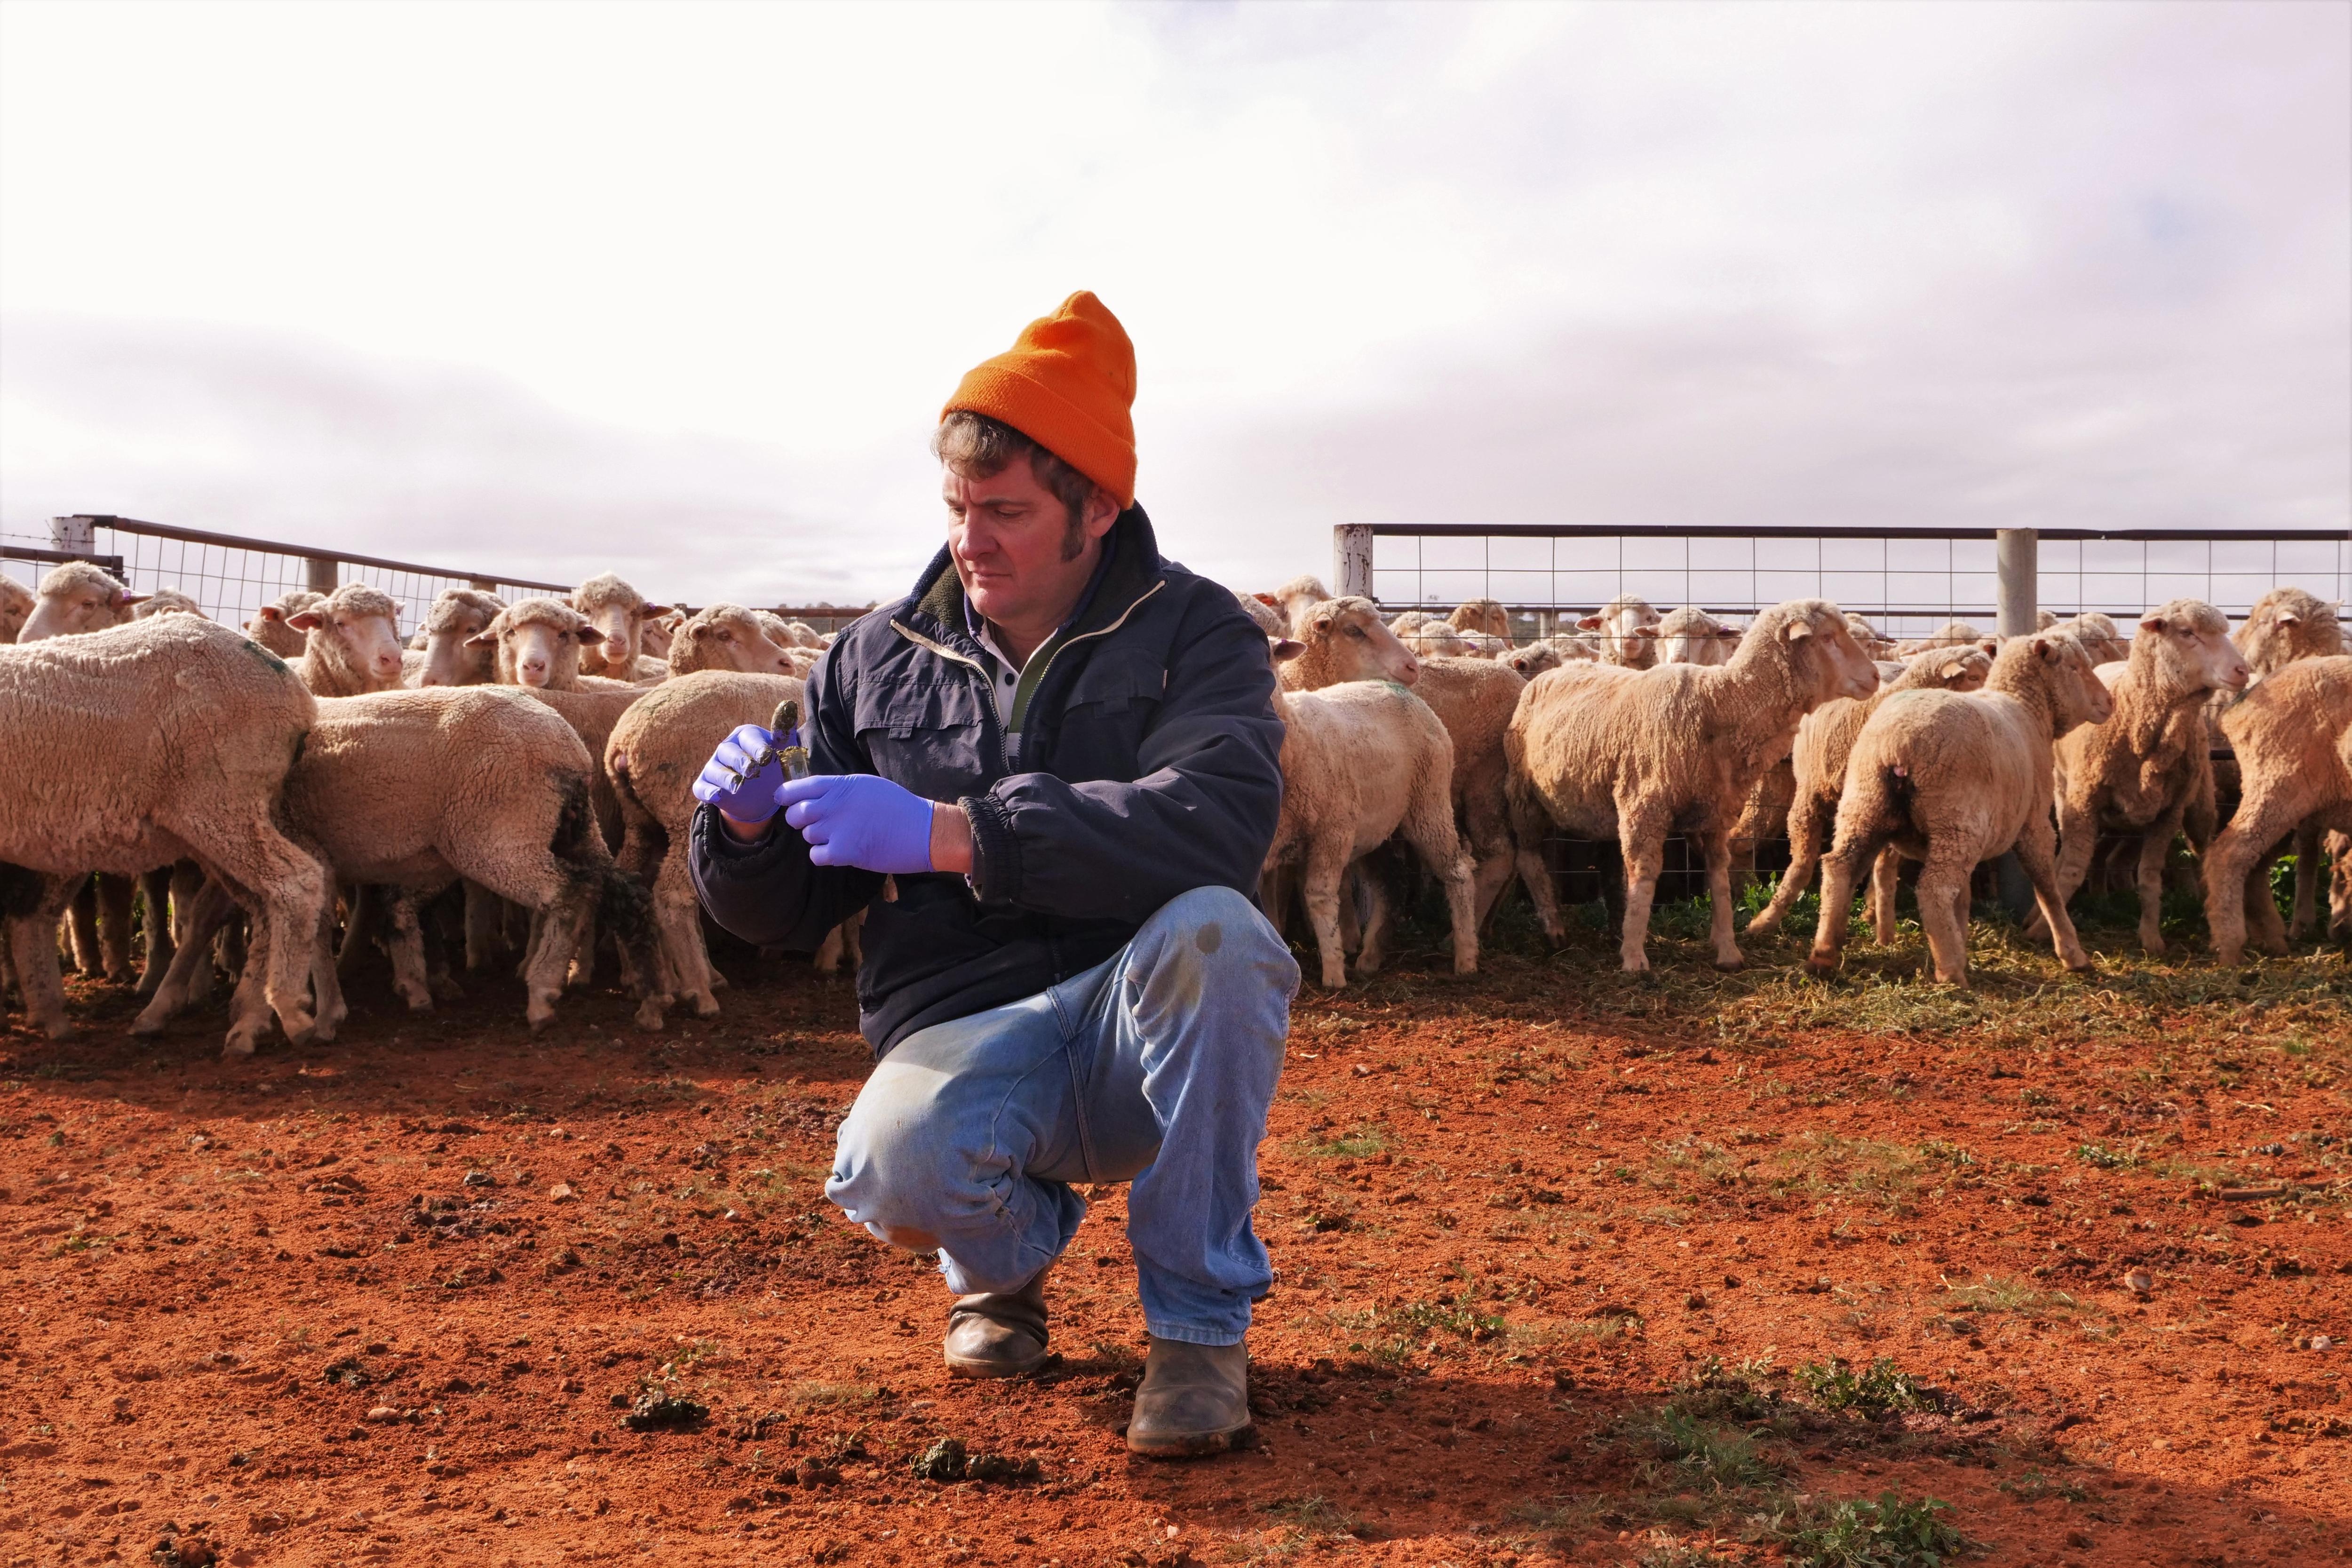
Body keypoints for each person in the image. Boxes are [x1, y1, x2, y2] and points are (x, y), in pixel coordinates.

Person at [687, 292, 1297, 1457]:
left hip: (1134, 1021)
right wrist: (749, 835)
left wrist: (959, 833)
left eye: (1008, 511)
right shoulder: (872, 659)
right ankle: (1002, 1268)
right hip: (963, 1021)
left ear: (1097, 507)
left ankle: (1198, 1331)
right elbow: (789, 912)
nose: (972, 540)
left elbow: (1216, 822)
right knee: (888, 1170)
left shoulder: (1195, 632)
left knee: (1221, 935)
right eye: (959, 508)